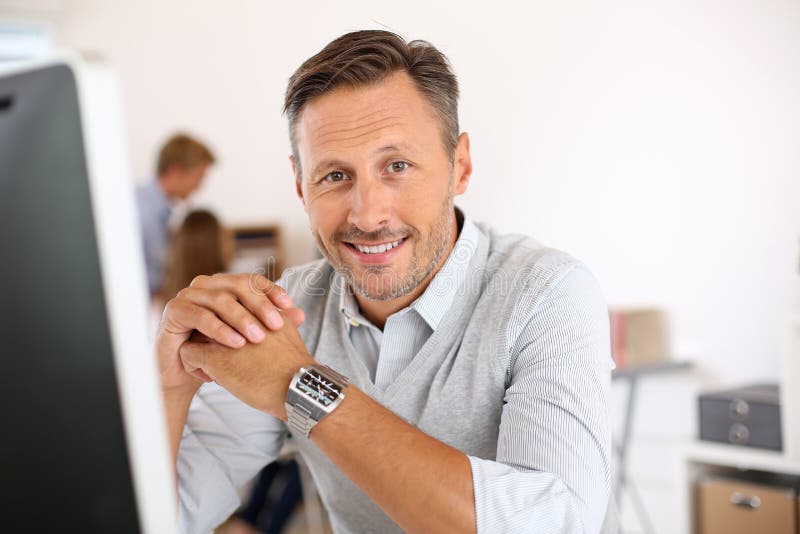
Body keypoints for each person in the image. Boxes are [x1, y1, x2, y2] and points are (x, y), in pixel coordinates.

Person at [158, 30, 616, 533]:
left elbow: (556, 525)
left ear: (459, 167)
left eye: (397, 166)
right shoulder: (287, 312)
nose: (369, 214)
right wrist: (170, 385)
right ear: (300, 186)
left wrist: (301, 385)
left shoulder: (547, 292)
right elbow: (164, 516)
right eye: (335, 176)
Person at [136, 133, 216, 296]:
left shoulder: (160, 211)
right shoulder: (141, 211)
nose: (197, 187)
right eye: (198, 178)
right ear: (175, 170)